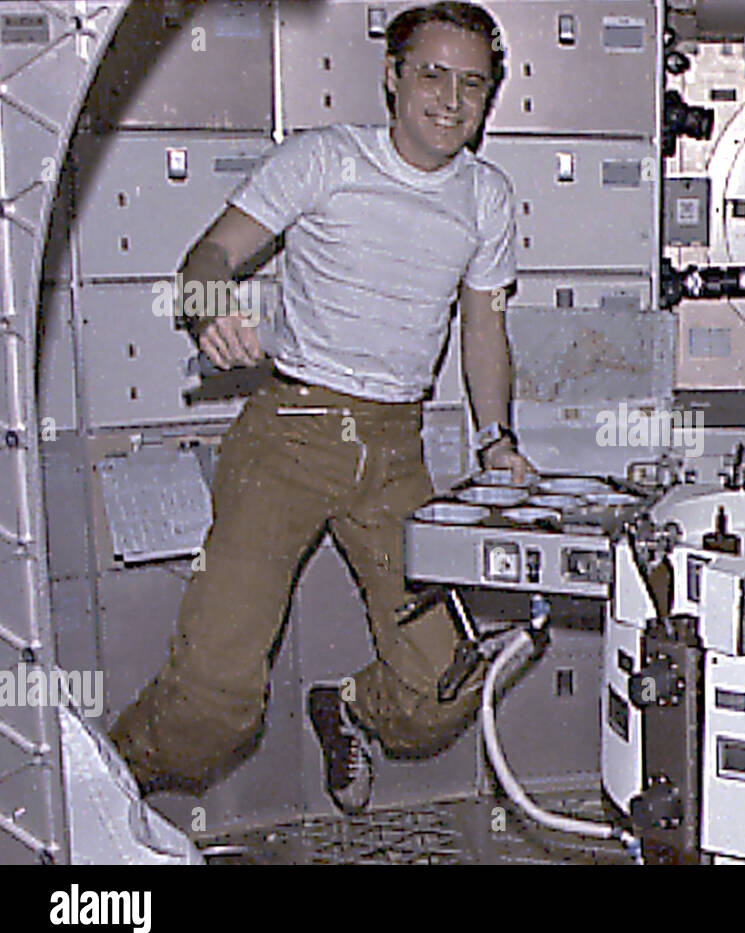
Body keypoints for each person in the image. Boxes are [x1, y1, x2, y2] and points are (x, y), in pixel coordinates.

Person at [108, 2, 535, 815]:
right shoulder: (325, 159)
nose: (450, 100)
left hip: (394, 452)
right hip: (289, 435)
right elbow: (208, 254)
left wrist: (496, 440)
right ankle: (105, 783)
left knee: (443, 690)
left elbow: (484, 329)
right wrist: (207, 305)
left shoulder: (486, 196)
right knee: (214, 698)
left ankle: (343, 709)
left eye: (472, 84)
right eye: (432, 76)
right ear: (393, 76)